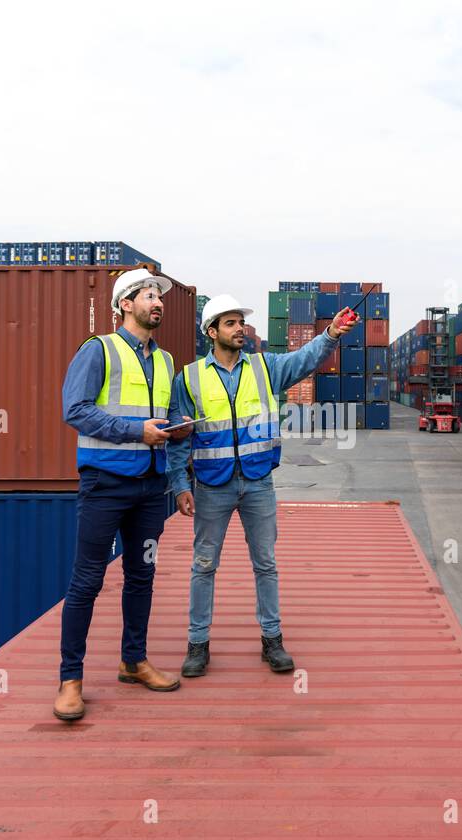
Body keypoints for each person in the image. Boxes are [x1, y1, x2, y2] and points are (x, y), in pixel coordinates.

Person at [165, 295, 358, 677]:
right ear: (212, 332)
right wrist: (178, 484)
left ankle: (272, 640)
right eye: (231, 323)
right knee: (203, 565)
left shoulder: (264, 366)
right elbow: (178, 437)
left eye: (241, 322)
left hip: (257, 483)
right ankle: (197, 644)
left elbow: (303, 360)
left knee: (266, 564)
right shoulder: (188, 378)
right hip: (211, 485)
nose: (240, 329)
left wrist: (331, 334)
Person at [53, 268, 195, 721]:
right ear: (125, 304)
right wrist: (137, 431)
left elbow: (166, 417)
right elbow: (74, 410)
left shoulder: (167, 360)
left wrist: (177, 436)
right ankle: (70, 680)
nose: (158, 302)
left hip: (151, 487)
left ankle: (133, 661)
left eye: (160, 297)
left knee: (142, 576)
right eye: (149, 295)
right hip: (105, 486)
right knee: (87, 581)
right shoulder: (99, 350)